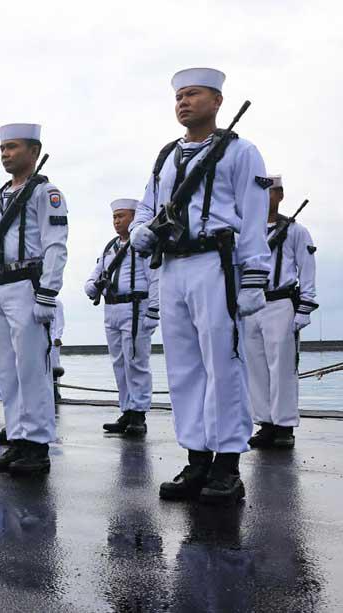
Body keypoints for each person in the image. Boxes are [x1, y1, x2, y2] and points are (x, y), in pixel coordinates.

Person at [129, 67, 270, 505]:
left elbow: (252, 218)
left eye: (193, 95)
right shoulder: (166, 157)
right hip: (173, 266)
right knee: (184, 368)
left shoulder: (241, 153)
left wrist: (252, 278)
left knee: (223, 364)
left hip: (216, 262)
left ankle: (227, 465)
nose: (183, 103)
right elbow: (147, 207)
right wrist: (139, 231)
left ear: (218, 101)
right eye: (178, 97)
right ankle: (197, 458)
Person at [0, 123, 68, 475]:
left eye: (12, 147)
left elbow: (56, 245)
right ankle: (18, 438)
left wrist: (48, 293)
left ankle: (36, 446)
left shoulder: (45, 193)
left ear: (34, 151)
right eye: (2, 149)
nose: (5, 154)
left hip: (28, 284)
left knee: (32, 370)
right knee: (7, 372)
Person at [244, 174, 318, 450]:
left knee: (283, 367)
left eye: (270, 192)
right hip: (252, 305)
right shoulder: (247, 232)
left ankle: (284, 425)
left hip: (280, 303)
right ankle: (266, 423)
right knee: (256, 368)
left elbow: (306, 268)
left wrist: (305, 307)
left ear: (280, 195)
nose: (264, 198)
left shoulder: (296, 231)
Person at [84, 198, 160, 437]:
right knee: (119, 363)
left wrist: (154, 310)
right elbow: (94, 276)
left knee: (136, 361)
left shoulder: (143, 245)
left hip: (135, 307)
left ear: (134, 217)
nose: (117, 222)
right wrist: (92, 286)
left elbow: (155, 277)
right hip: (113, 308)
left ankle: (139, 414)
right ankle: (126, 409)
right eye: (115, 217)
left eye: (122, 216)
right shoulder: (110, 248)